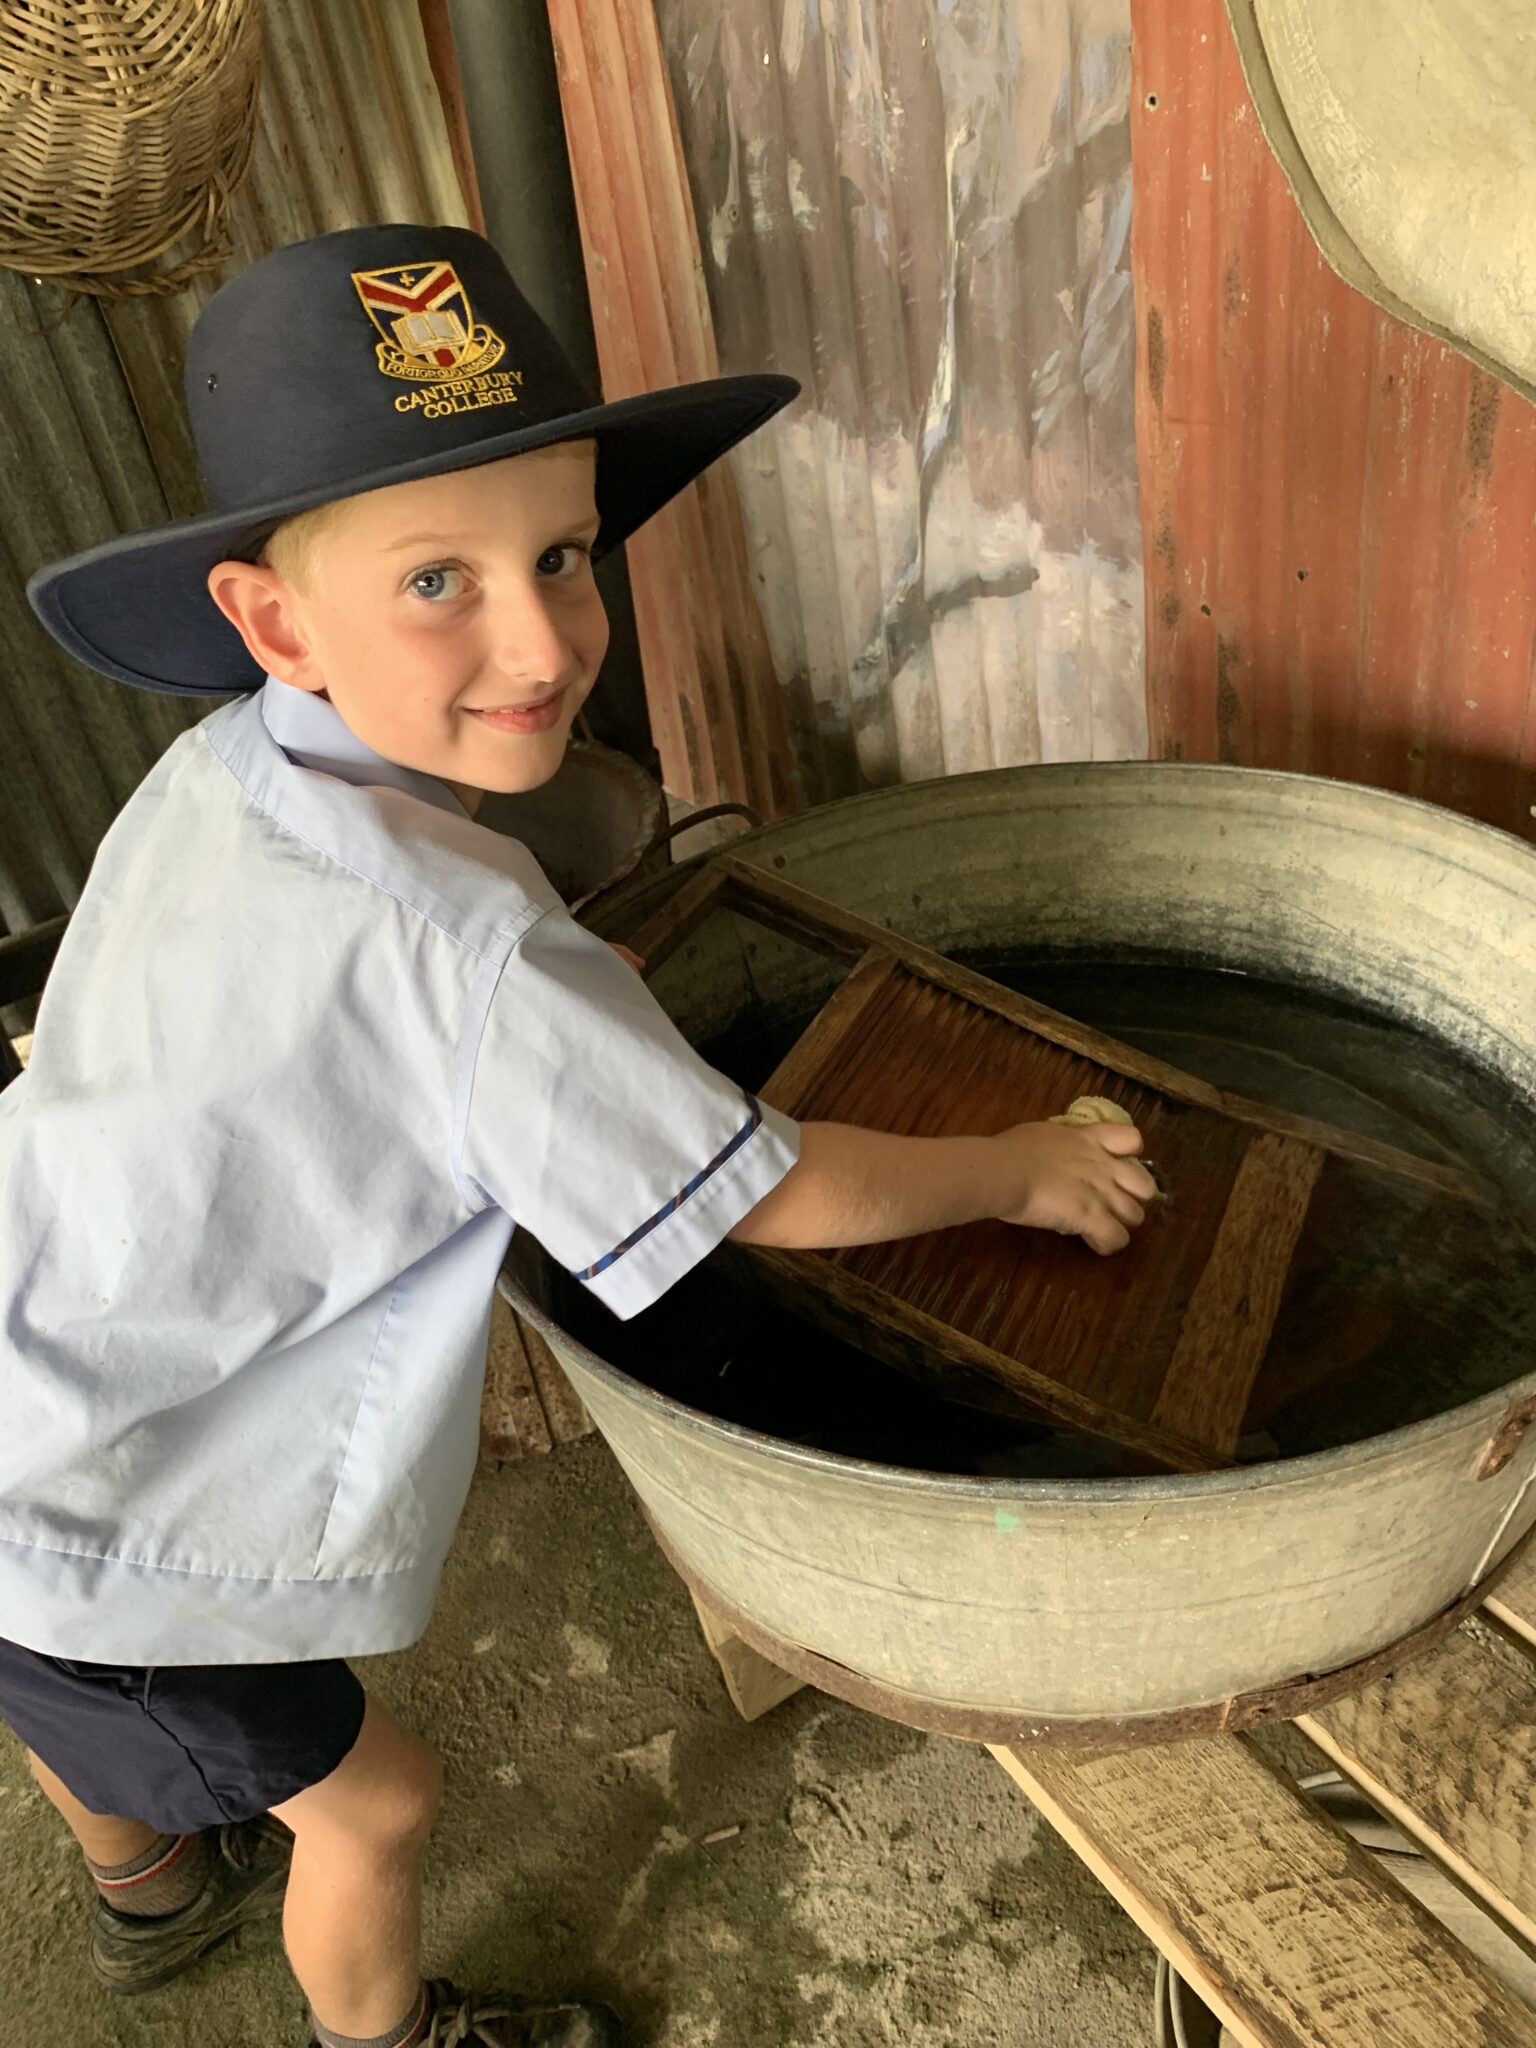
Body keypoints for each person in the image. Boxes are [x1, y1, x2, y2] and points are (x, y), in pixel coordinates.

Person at [2, 224, 1155, 2048]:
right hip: (91, 1522)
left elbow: (348, 990)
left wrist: (535, 983)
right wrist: (1022, 1165)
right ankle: (390, 2038)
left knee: (82, 1718)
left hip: (37, 1372)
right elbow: (771, 1193)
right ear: (277, 621)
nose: (540, 640)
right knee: (374, 1808)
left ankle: (147, 1886)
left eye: (560, 553)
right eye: (438, 580)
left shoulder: (217, 778)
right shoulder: (470, 959)